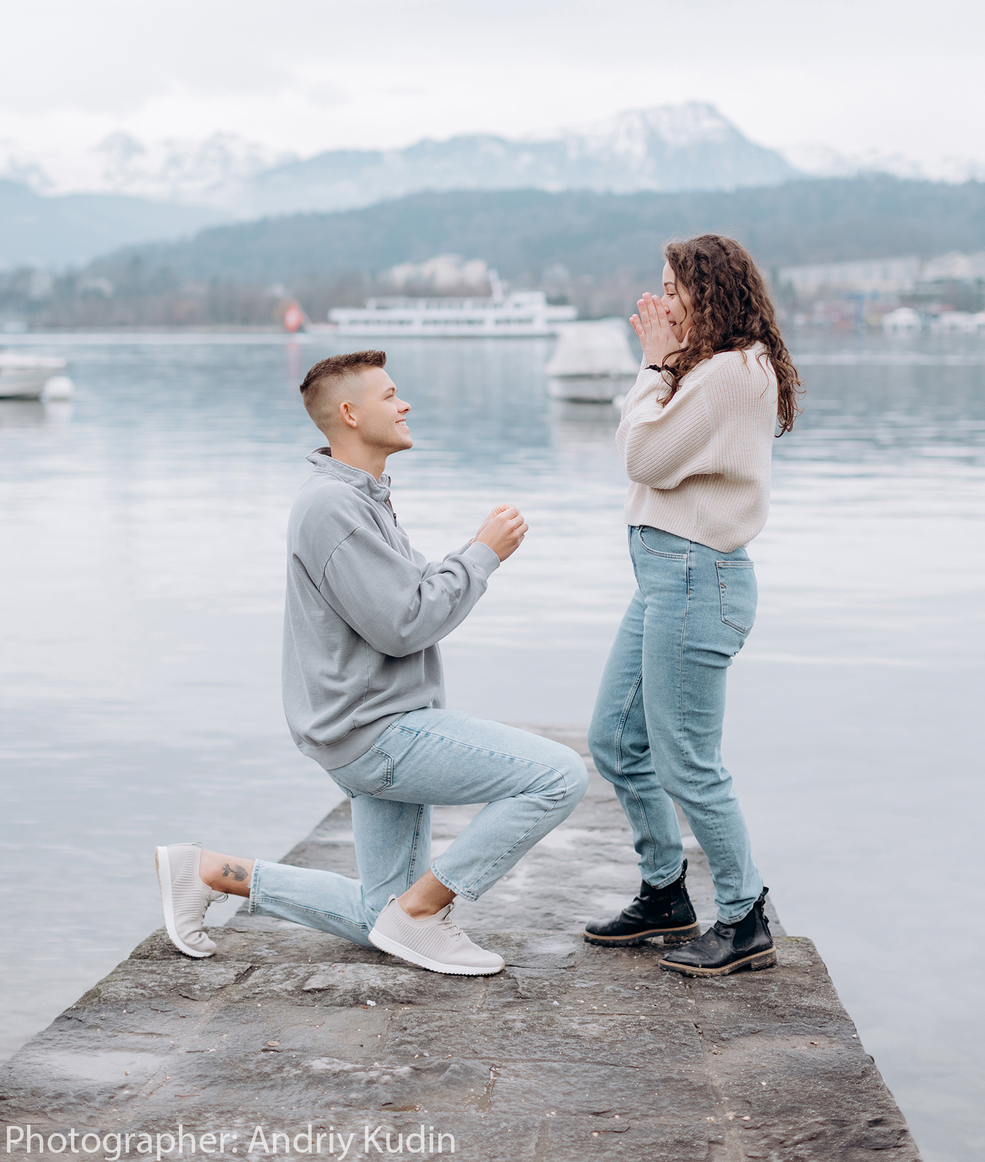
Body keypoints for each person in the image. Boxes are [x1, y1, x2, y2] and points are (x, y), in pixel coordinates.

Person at [155, 349, 588, 976]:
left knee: (374, 915)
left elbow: (402, 603)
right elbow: (404, 623)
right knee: (557, 775)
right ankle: (423, 914)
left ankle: (209, 872)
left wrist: (469, 556)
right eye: (389, 396)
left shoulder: (361, 497)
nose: (404, 403)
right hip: (378, 732)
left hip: (369, 724)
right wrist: (481, 554)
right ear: (351, 414)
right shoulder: (331, 506)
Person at [584, 234, 802, 977]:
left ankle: (743, 918)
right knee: (615, 739)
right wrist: (666, 360)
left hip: (694, 577)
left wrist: (649, 364)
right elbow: (651, 447)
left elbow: (642, 456)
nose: (664, 301)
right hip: (666, 578)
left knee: (688, 763)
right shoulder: (710, 368)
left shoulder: (734, 374)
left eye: (673, 287)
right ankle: (666, 893)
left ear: (708, 292)